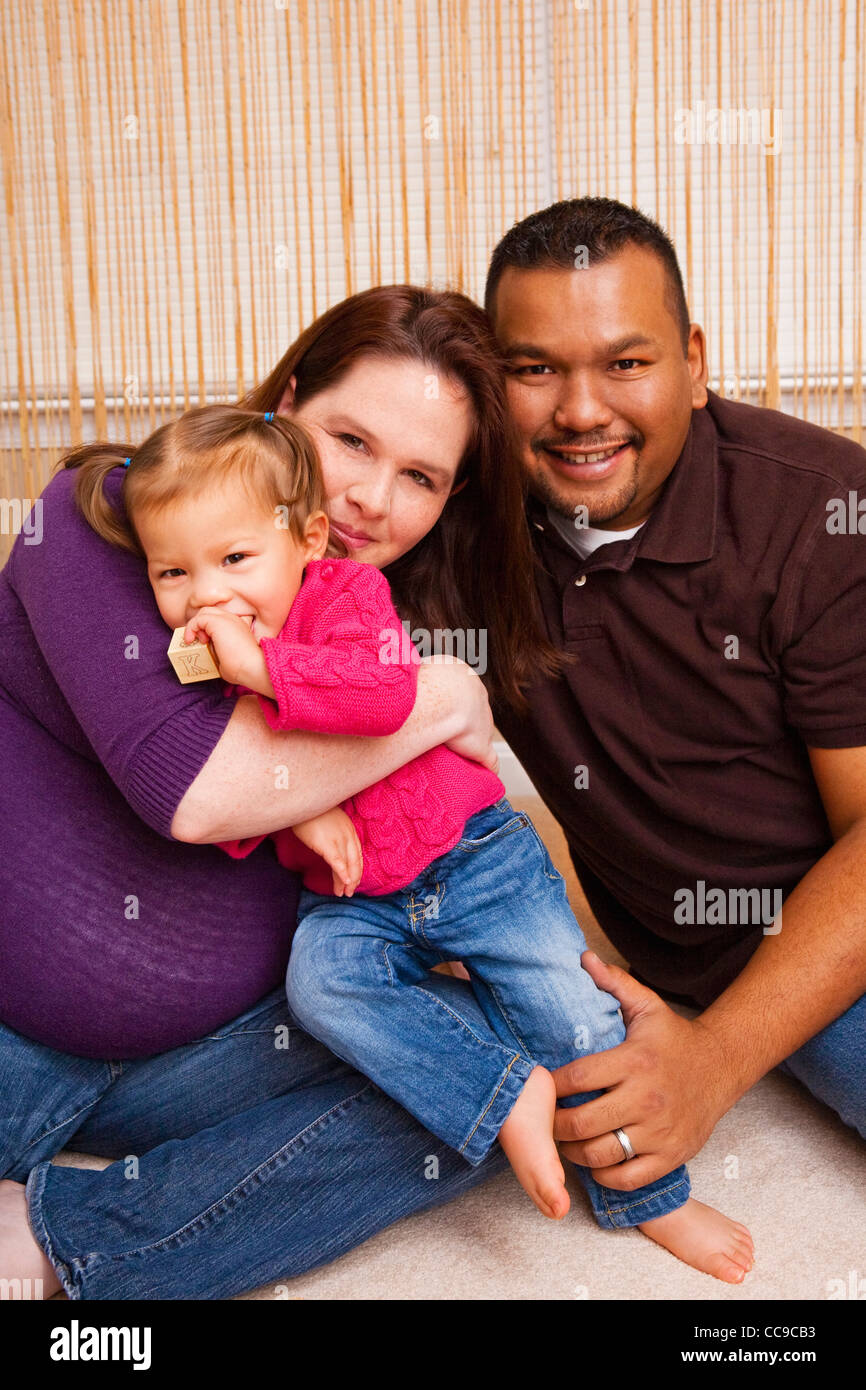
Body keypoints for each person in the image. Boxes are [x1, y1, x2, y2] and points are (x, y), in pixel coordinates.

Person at [67, 400, 753, 1281]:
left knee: (568, 1006)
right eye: (172, 573)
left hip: (473, 857)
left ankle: (654, 1197)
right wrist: (294, 808)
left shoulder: (345, 599)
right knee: (321, 986)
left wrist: (263, 668)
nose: (205, 595)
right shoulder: (193, 666)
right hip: (353, 897)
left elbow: (380, 697)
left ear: (307, 541)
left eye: (235, 559)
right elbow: (219, 803)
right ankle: (506, 1094)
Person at [0, 289, 522, 1300]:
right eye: (350, 440)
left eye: (418, 475)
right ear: (286, 407)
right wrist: (444, 695)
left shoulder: (357, 628)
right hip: (15, 1039)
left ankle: (63, 1242)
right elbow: (193, 793)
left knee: (497, 1077)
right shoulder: (109, 512)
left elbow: (425, 851)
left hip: (200, 1063)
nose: (372, 496)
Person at [483, 197, 866, 1199]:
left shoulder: (820, 513)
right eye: (533, 369)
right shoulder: (448, 517)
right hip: (705, 951)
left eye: (624, 362)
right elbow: (244, 503)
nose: (579, 410)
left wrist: (712, 1061)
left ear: (693, 362)